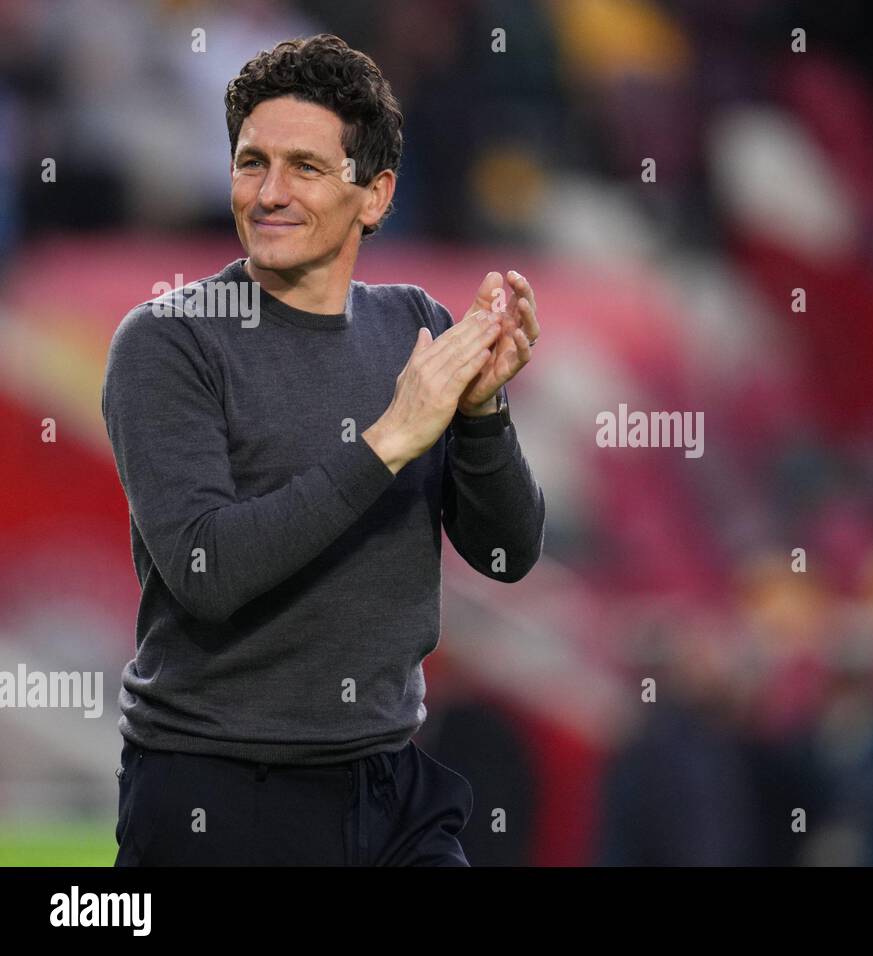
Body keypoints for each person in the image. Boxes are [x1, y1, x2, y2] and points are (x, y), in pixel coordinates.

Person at [101, 34, 545, 865]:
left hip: (392, 783)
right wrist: (389, 440)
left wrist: (483, 412)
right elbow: (206, 570)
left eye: (304, 167)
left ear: (375, 195)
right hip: (219, 791)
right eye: (251, 163)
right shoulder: (168, 341)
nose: (269, 193)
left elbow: (507, 553)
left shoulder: (415, 324)